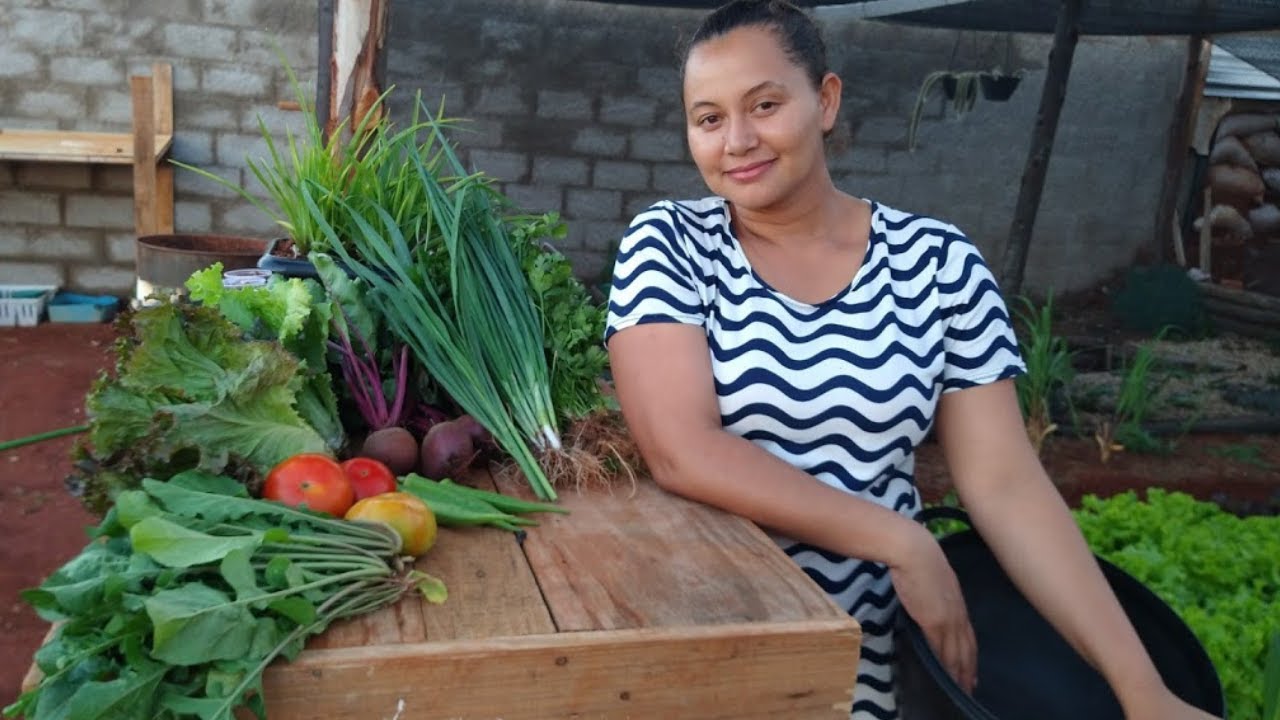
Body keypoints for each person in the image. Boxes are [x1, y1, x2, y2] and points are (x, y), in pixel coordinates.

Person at [602, 1, 1220, 719]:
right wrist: (903, 542)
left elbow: (1006, 485)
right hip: (712, 650)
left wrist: (1141, 690)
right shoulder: (673, 244)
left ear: (824, 100)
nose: (737, 140)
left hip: (879, 663)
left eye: (765, 105)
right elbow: (683, 450)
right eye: (708, 119)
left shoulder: (938, 262)